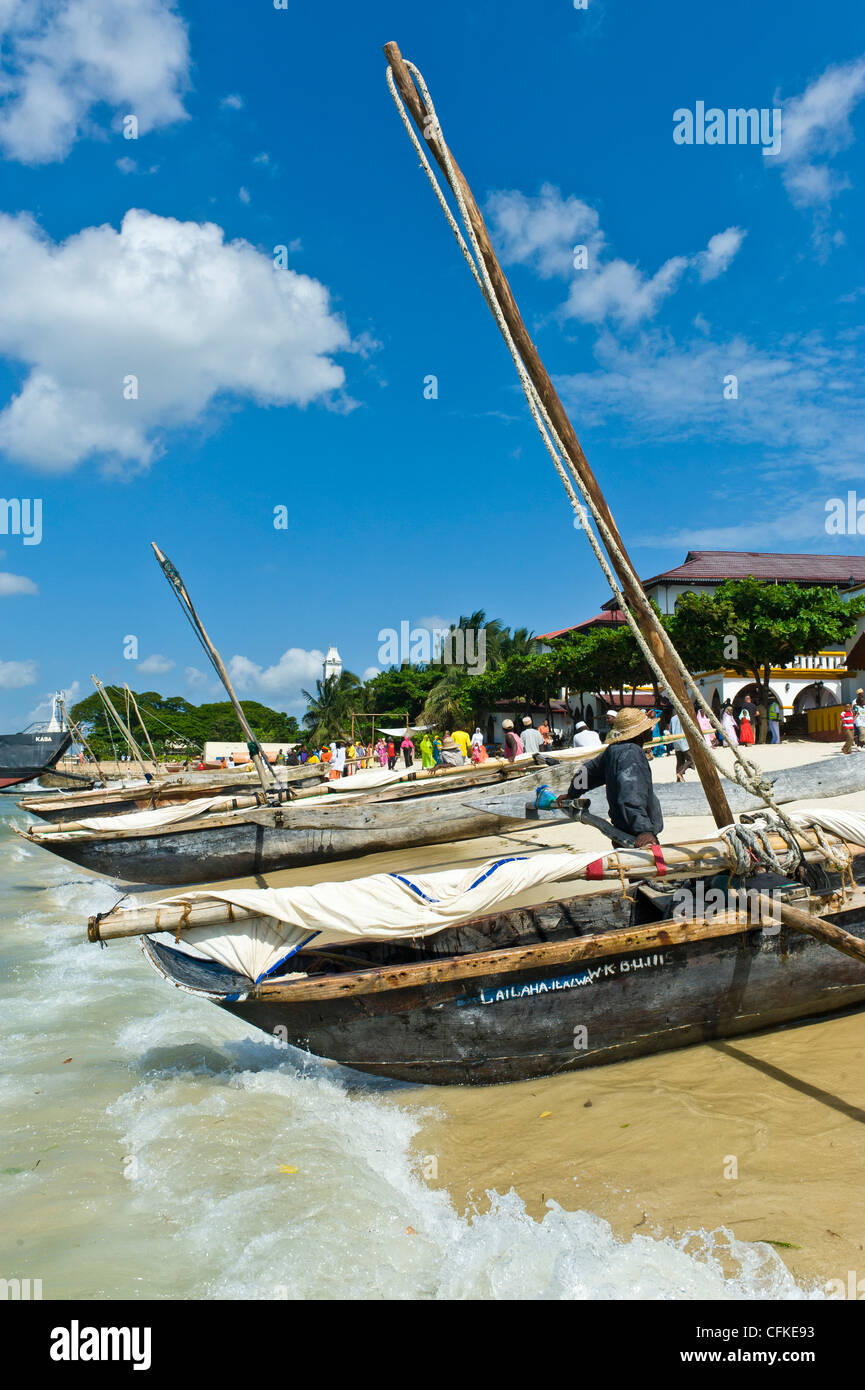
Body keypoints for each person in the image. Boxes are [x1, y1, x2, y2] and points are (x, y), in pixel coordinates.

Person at [556, 707, 663, 848]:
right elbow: (630, 795)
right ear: (640, 733)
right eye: (647, 728)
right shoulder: (632, 754)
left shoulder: (612, 751)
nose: (650, 730)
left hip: (620, 827)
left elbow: (586, 772)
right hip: (635, 835)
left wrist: (572, 793)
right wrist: (643, 830)